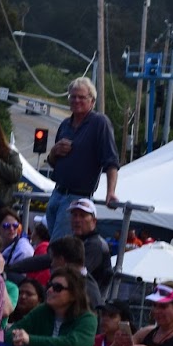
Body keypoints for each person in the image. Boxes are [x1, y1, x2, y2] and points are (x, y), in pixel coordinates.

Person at [45, 76, 120, 240]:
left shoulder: (100, 123)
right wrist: (54, 152)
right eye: (73, 96)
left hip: (77, 196)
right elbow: (52, 163)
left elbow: (111, 160)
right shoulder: (65, 124)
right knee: (56, 243)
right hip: (57, 192)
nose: (76, 100)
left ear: (92, 101)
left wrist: (110, 192)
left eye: (81, 97)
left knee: (59, 246)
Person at [8, 265, 97, 346]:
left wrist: (30, 340)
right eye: (49, 285)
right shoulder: (42, 311)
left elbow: (72, 343)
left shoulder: (88, 319)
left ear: (74, 295)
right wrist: (17, 338)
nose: (49, 290)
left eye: (57, 288)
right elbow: (10, 332)